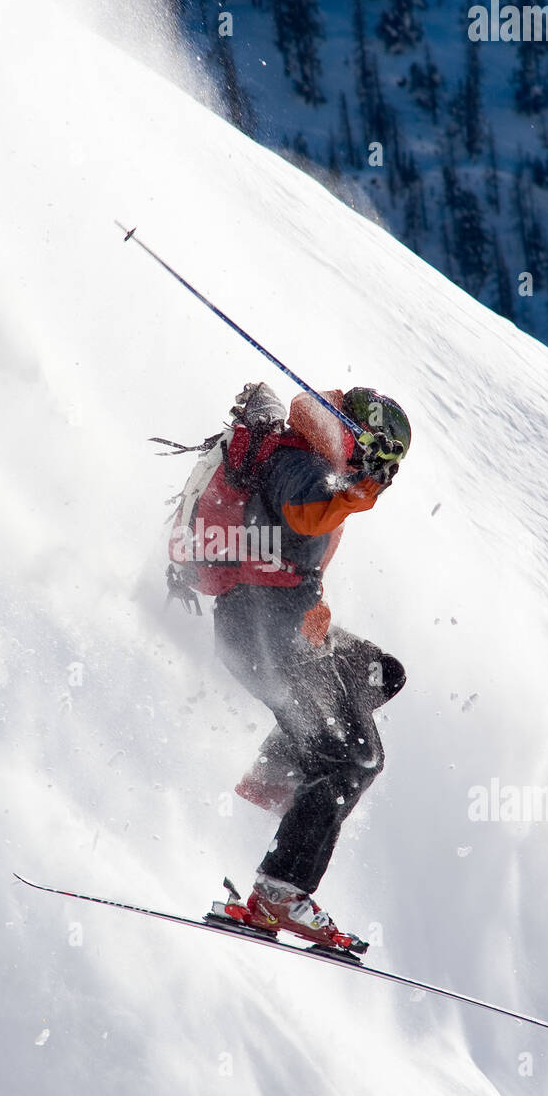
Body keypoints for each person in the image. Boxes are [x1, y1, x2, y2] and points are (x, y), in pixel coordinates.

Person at [212, 382, 410, 951]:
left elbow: (292, 543)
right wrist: (364, 483)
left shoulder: (304, 456)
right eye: (384, 457)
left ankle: (278, 772)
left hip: (280, 628)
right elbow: (308, 513)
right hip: (266, 638)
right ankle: (279, 890)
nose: (386, 473)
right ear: (360, 439)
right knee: (355, 757)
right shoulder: (300, 464)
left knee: (381, 672)